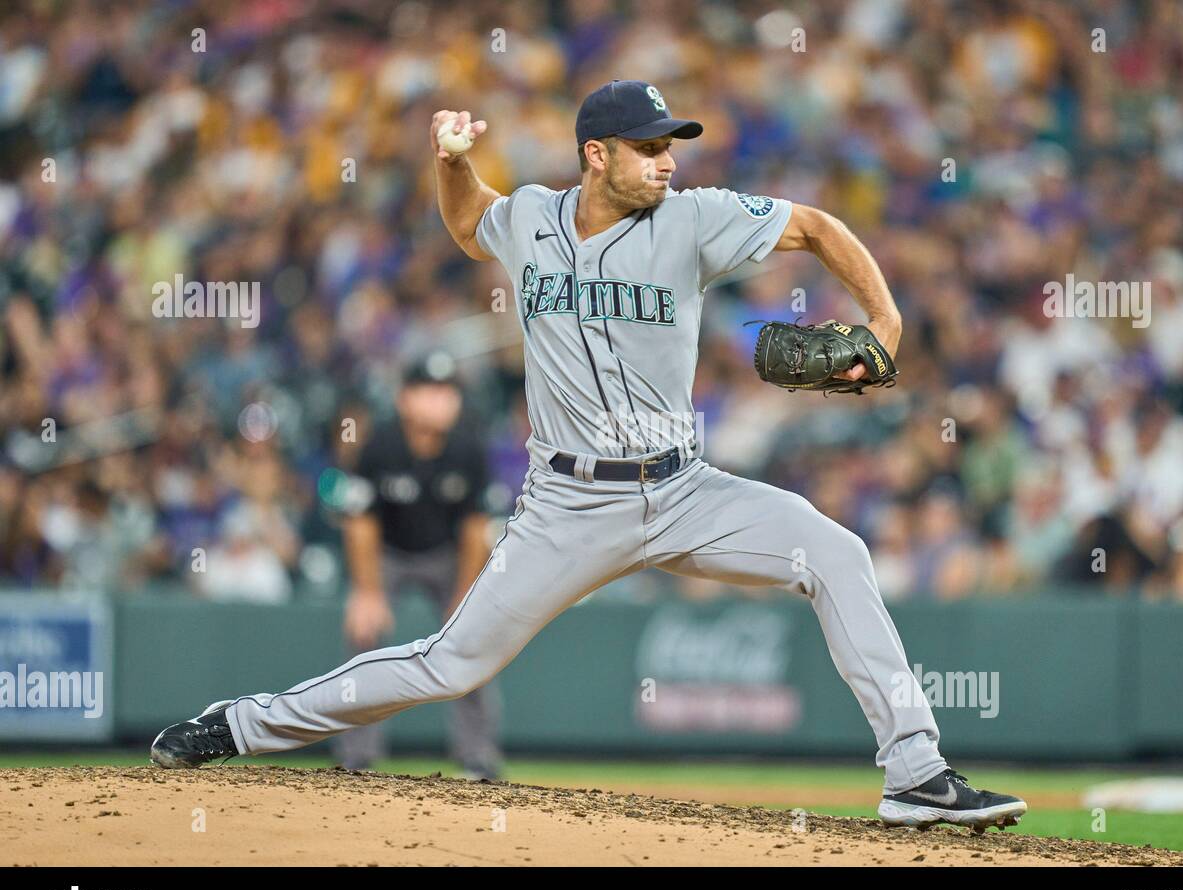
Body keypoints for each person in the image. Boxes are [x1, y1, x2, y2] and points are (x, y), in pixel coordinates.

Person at [151, 80, 1026, 832]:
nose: (668, 159)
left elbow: (819, 227)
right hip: (568, 507)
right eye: (649, 147)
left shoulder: (695, 219)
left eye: (671, 144)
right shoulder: (530, 217)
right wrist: (452, 162)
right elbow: (467, 227)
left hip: (687, 491)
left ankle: (916, 774)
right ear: (596, 155)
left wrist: (885, 320)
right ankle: (240, 725)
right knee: (452, 663)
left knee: (837, 553)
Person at [333, 353, 502, 780]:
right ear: (405, 399)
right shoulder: (380, 445)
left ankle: (477, 756)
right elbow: (360, 524)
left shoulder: (467, 447)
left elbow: (475, 530)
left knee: (473, 637)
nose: (442, 401)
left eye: (448, 392)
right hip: (388, 552)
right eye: (430, 391)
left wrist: (465, 596)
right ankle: (357, 756)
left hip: (447, 555)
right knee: (364, 632)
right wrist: (367, 591)